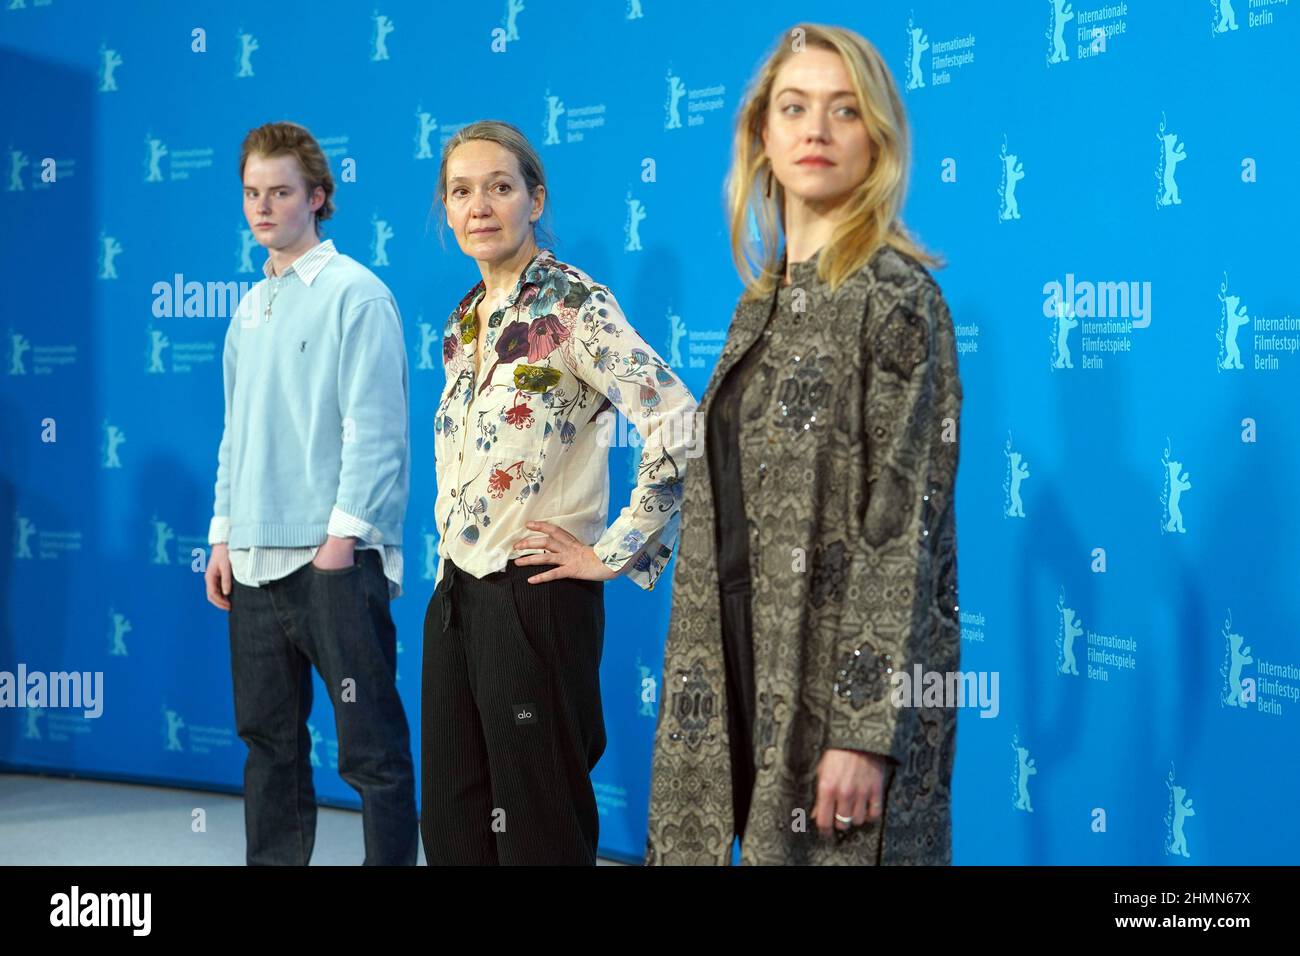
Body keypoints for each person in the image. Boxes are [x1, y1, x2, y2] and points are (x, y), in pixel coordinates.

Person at [645, 24, 963, 865]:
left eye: (843, 111)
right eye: (794, 108)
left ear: (877, 141)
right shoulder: (761, 301)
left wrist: (864, 732)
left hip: (833, 701)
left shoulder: (897, 300)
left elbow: (903, 537)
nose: (815, 130)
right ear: (762, 134)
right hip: (730, 684)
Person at [421, 120, 699, 865]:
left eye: (500, 187)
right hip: (454, 598)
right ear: (446, 211)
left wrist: (612, 552)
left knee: (539, 833)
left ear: (534, 198)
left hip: (534, 597)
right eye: (461, 191)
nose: (480, 205)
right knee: (453, 828)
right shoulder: (462, 323)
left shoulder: (574, 305)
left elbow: (679, 423)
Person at [204, 121, 416, 865]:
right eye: (252, 194)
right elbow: (236, 434)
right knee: (269, 750)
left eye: (282, 192)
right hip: (255, 567)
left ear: (318, 197)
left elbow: (379, 431)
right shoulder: (249, 310)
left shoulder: (357, 294)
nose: (263, 208)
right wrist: (223, 535)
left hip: (333, 565)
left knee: (372, 753)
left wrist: (340, 544)